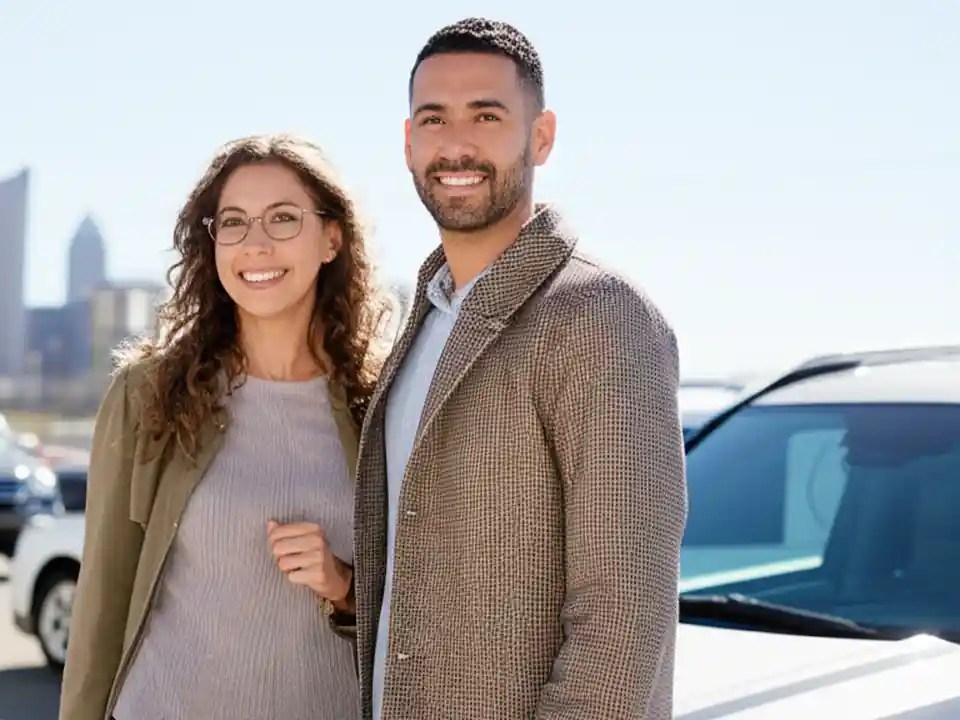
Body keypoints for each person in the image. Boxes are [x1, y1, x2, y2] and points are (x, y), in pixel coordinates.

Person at [347, 17, 688, 719]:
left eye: (487, 115)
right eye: (434, 119)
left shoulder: (600, 316)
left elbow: (624, 613)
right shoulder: (426, 317)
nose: (457, 144)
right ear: (409, 143)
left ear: (541, 136)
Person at [58, 133, 391, 720]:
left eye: (283, 219)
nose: (255, 244)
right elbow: (101, 604)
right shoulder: (148, 394)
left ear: (332, 238)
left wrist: (343, 585)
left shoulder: (382, 402)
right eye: (233, 222)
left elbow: (424, 611)